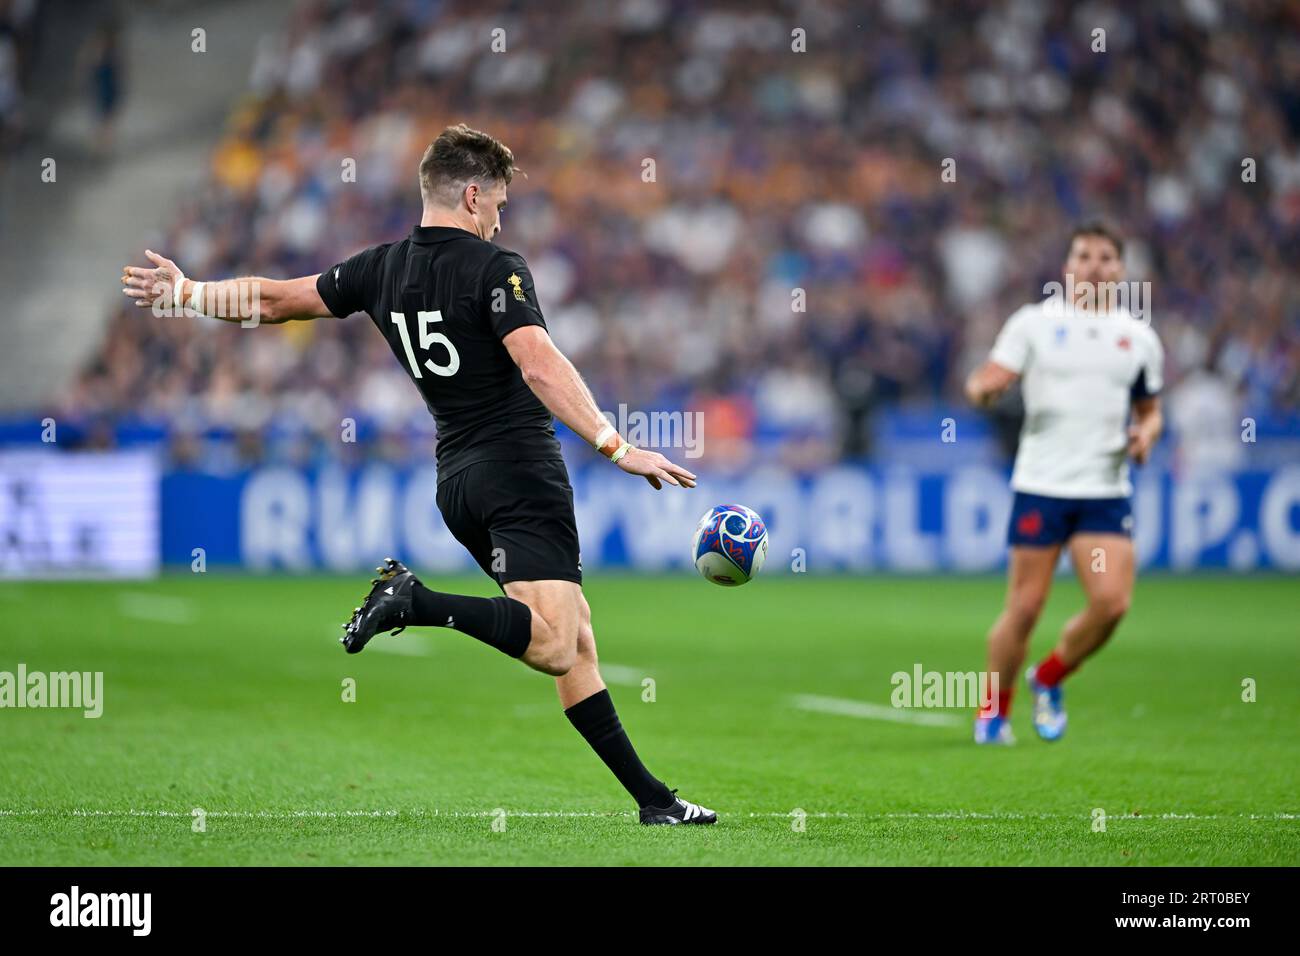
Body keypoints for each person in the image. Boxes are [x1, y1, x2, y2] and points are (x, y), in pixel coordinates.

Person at [122, 123, 715, 825]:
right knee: (557, 643)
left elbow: (278, 301)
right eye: (498, 202)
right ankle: (415, 601)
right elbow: (538, 362)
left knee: (573, 635)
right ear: (471, 195)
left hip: (456, 482)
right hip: (519, 468)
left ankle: (653, 801)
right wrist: (619, 447)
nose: (500, 217)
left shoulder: (382, 267)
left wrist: (187, 293)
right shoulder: (498, 270)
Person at [964, 222, 1164, 745]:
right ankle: (993, 711)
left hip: (1103, 488)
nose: (1094, 265)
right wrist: (984, 390)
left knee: (1112, 604)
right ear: (1067, 267)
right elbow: (987, 377)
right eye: (1084, 255)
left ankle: (1048, 677)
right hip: (1041, 485)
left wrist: (1145, 435)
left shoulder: (1138, 338)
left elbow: (1151, 411)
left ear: (1120, 270)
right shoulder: (1033, 324)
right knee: (1025, 607)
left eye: (1104, 257)